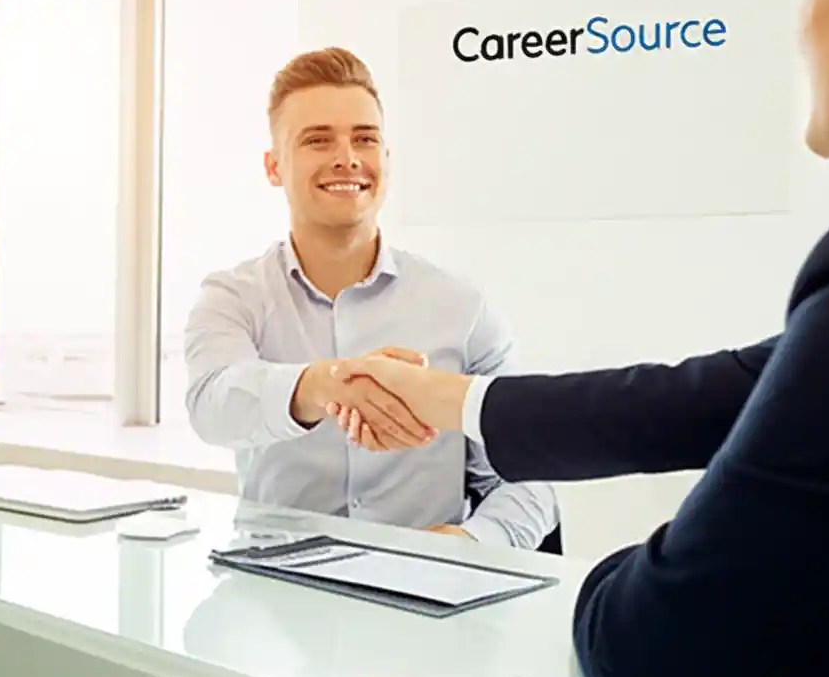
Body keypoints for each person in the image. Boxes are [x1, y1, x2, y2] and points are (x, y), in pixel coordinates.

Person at [329, 0, 829, 677]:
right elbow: (721, 392)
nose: (800, 17)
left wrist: (593, 574)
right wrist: (452, 401)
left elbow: (659, 629)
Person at [183, 47, 560, 550]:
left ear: (386, 160)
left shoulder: (462, 309)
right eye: (318, 140)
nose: (347, 157)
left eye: (365, 139)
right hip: (274, 595)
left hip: (428, 596)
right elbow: (213, 405)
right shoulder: (231, 296)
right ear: (274, 167)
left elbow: (528, 478)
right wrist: (323, 385)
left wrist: (470, 543)